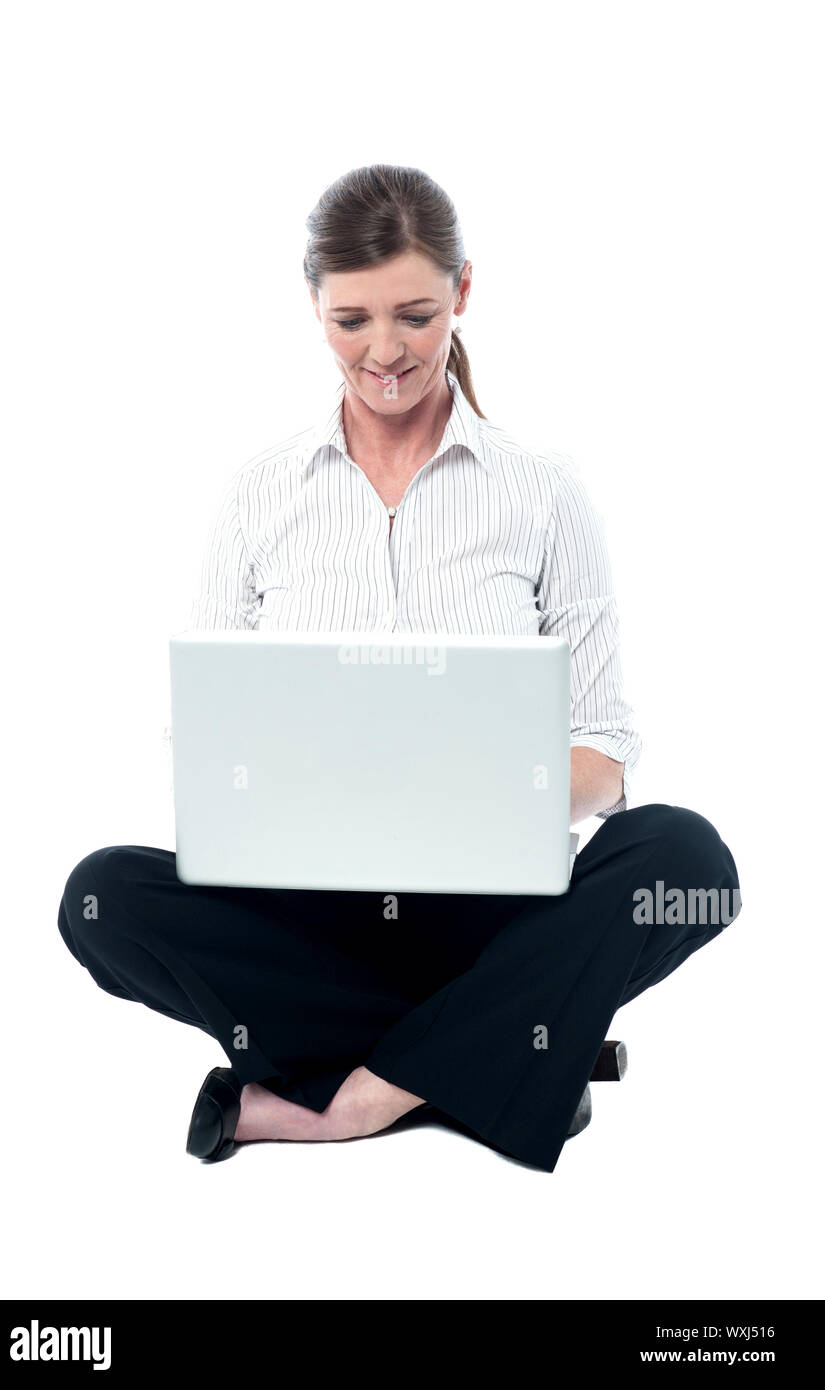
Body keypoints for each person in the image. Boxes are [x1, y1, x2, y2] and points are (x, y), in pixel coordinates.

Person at [57, 164, 741, 1172]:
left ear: (463, 291)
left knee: (689, 862)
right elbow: (208, 756)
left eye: (416, 315)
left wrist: (469, 790)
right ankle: (515, 1047)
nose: (384, 353)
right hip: (313, 921)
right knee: (101, 897)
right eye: (351, 322)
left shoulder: (543, 494)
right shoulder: (257, 497)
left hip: (492, 915)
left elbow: (606, 760)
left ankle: (360, 1094)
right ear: (312, 305)